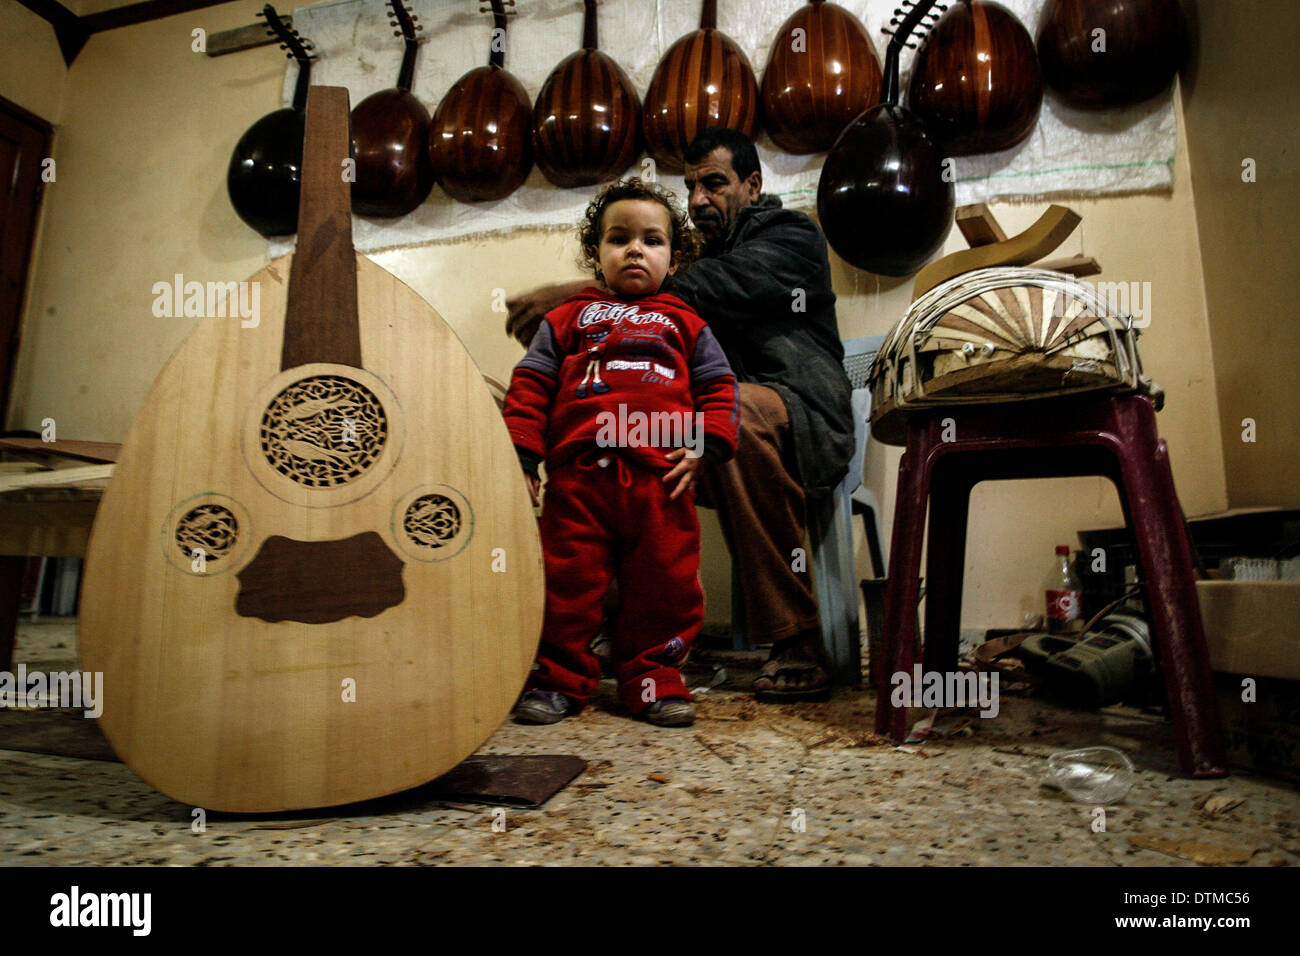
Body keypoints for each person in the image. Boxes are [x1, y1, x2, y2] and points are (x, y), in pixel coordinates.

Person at [507, 128, 854, 703]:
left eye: (713, 184)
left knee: (733, 415)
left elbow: (718, 287)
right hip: (692, 435)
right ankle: (582, 635)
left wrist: (582, 294)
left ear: (753, 184)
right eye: (690, 186)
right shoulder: (687, 258)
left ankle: (795, 639)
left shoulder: (792, 234)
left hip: (798, 415)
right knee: (583, 424)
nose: (697, 200)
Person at [503, 178, 739, 728]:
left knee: (667, 585)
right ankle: (557, 679)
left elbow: (720, 388)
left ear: (674, 259)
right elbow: (531, 386)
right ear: (596, 253)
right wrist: (521, 460)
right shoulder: (566, 321)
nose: (635, 249)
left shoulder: (687, 323)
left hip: (663, 482)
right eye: (619, 238)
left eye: (652, 241)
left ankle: (655, 679)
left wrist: (706, 443)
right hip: (578, 482)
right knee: (565, 583)